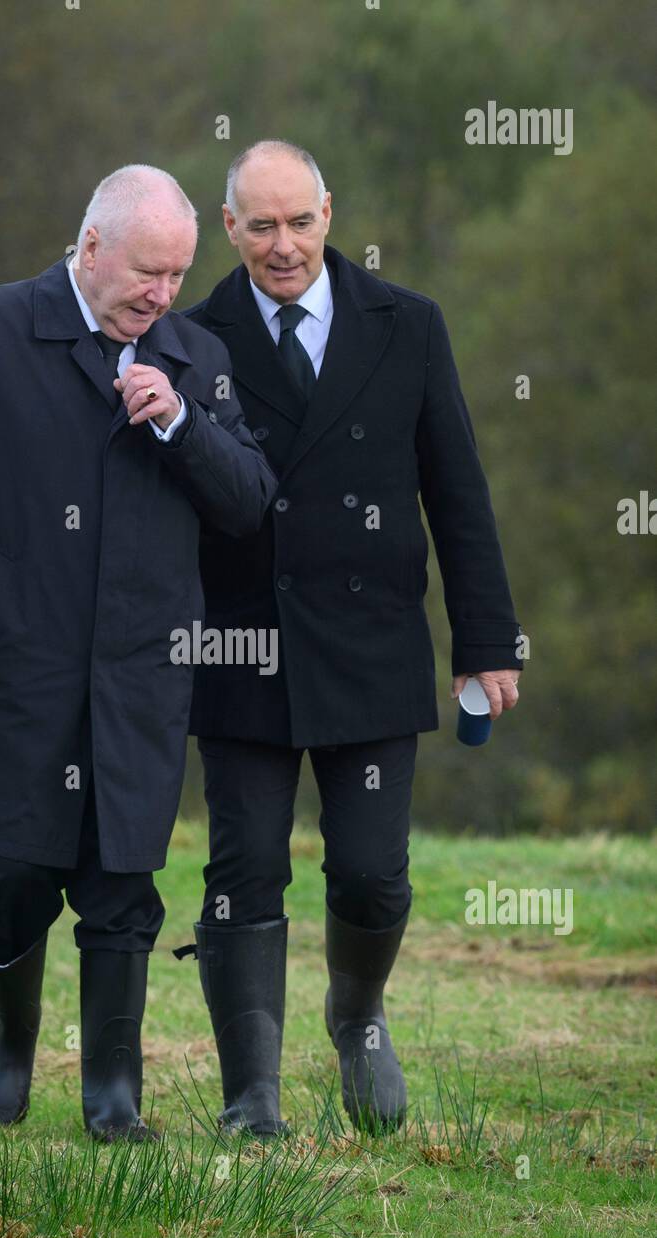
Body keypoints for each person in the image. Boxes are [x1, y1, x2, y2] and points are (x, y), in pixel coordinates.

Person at [0, 164, 276, 1141]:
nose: (161, 294)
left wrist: (178, 422)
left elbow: (249, 501)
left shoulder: (195, 357)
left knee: (120, 888)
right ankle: (10, 1038)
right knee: (6, 874)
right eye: (147, 271)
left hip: (138, 677)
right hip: (16, 666)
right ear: (89, 247)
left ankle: (112, 1097)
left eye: (178, 275)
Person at [179, 140, 523, 1136]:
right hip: (238, 649)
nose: (281, 245)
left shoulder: (405, 326)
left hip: (371, 644)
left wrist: (487, 637)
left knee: (371, 870)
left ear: (329, 213)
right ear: (228, 225)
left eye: (299, 222)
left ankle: (357, 1011)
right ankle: (252, 1096)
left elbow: (456, 490)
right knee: (243, 868)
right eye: (259, 225)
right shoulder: (194, 338)